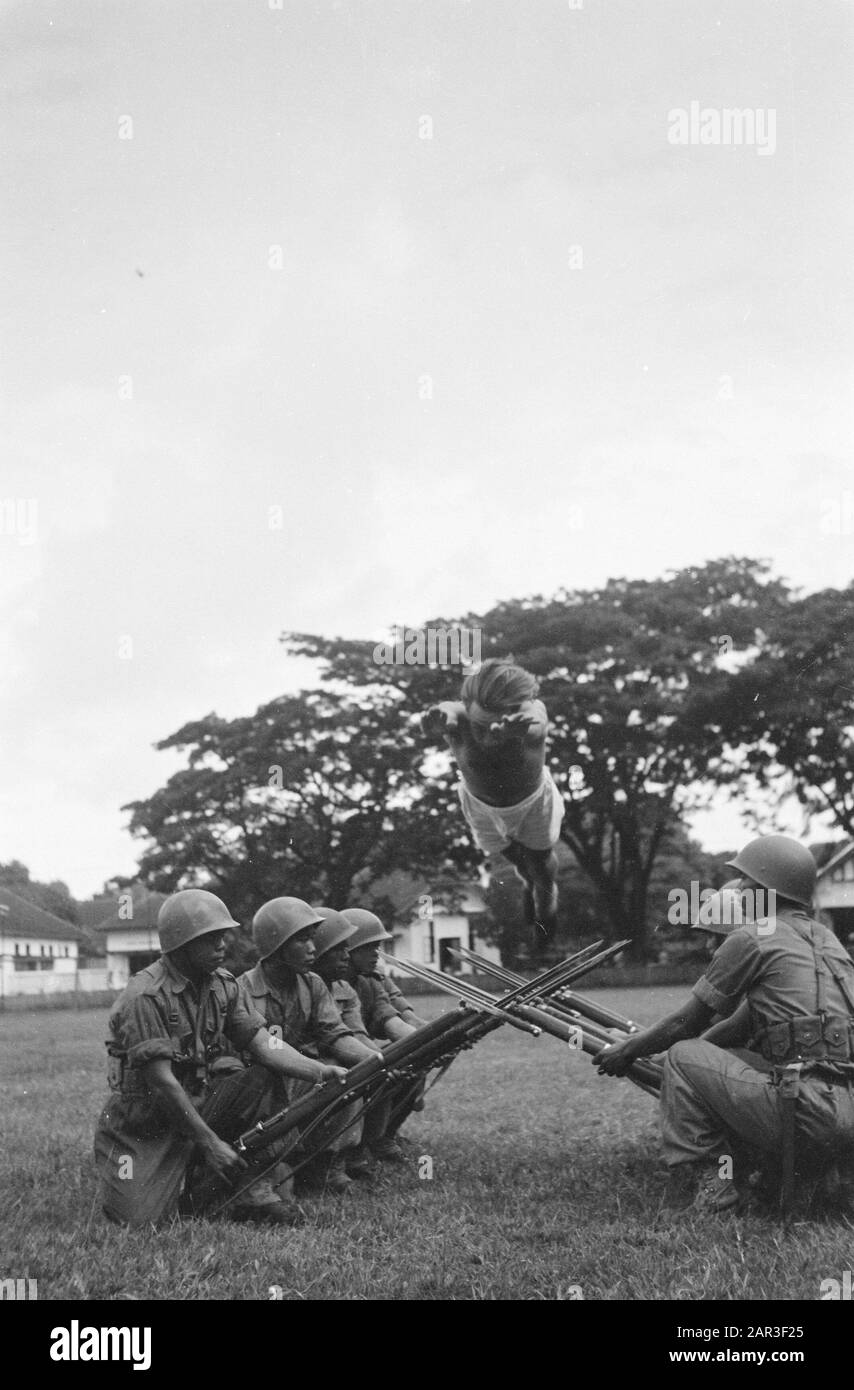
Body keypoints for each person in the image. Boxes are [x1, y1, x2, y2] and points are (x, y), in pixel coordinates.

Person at [597, 835, 854, 1216]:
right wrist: (650, 1046)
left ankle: (714, 1186)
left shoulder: (752, 937)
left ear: (766, 889)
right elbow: (734, 1027)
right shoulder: (829, 943)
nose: (740, 891)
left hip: (800, 1112)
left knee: (683, 1057)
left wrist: (628, 1050)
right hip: (847, 1113)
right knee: (724, 1058)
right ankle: (806, 1177)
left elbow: (686, 1023)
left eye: (747, 882)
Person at [94, 889, 347, 1228]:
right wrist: (210, 1143)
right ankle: (195, 1168)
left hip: (199, 1101)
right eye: (211, 938)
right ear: (181, 944)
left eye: (223, 936)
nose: (223, 945)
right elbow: (162, 1083)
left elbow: (261, 1043)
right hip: (146, 1121)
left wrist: (318, 1071)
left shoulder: (223, 985)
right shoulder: (145, 996)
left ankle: (249, 1187)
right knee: (141, 1222)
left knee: (261, 1077)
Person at [236, 896, 377, 1195]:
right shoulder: (244, 989)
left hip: (299, 1078)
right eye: (302, 940)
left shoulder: (312, 984)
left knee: (347, 1082)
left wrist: (374, 1059)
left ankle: (327, 1166)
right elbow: (264, 1049)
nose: (313, 948)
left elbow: (334, 1034)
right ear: (276, 945)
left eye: (312, 939)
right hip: (259, 1088)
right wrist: (318, 1070)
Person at [422, 657, 564, 934]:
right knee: (518, 862)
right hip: (481, 806)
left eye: (505, 715)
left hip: (532, 802)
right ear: (470, 706)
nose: (492, 730)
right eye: (483, 723)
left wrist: (517, 732)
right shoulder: (458, 714)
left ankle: (546, 910)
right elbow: (445, 712)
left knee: (541, 865)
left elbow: (536, 726)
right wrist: (437, 724)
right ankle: (528, 881)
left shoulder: (532, 713)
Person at [341, 907, 426, 1162]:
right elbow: (345, 1036)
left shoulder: (369, 980)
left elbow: (393, 1019)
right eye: (369, 947)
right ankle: (350, 1151)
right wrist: (382, 1060)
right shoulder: (324, 984)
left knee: (411, 1063)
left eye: (378, 947)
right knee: (385, 1069)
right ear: (348, 949)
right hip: (339, 1057)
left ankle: (381, 1137)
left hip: (362, 1051)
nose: (376, 954)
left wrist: (433, 1040)